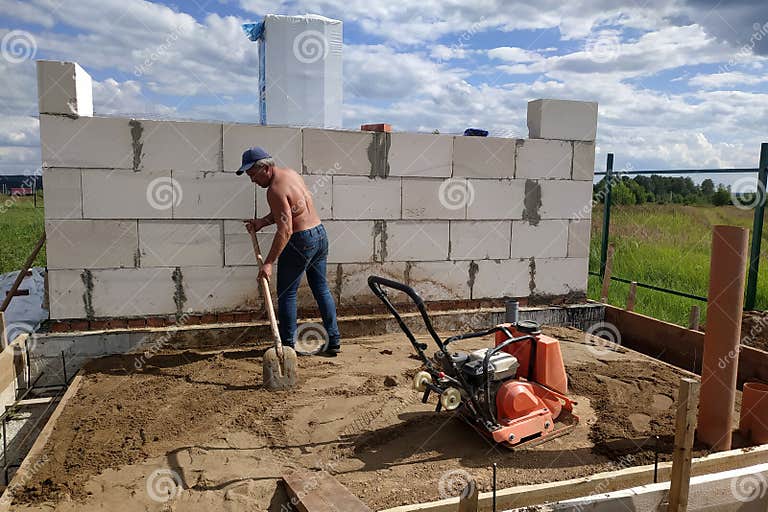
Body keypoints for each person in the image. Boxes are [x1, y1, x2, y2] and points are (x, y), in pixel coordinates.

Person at [237, 147, 341, 356]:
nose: (252, 181)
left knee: (287, 293)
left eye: (253, 175)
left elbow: (286, 229)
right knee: (321, 289)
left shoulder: (274, 190)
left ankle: (287, 346)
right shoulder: (291, 174)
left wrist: (268, 263)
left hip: (301, 241)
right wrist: (263, 222)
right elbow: (288, 210)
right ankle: (334, 340)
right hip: (319, 235)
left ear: (265, 168)